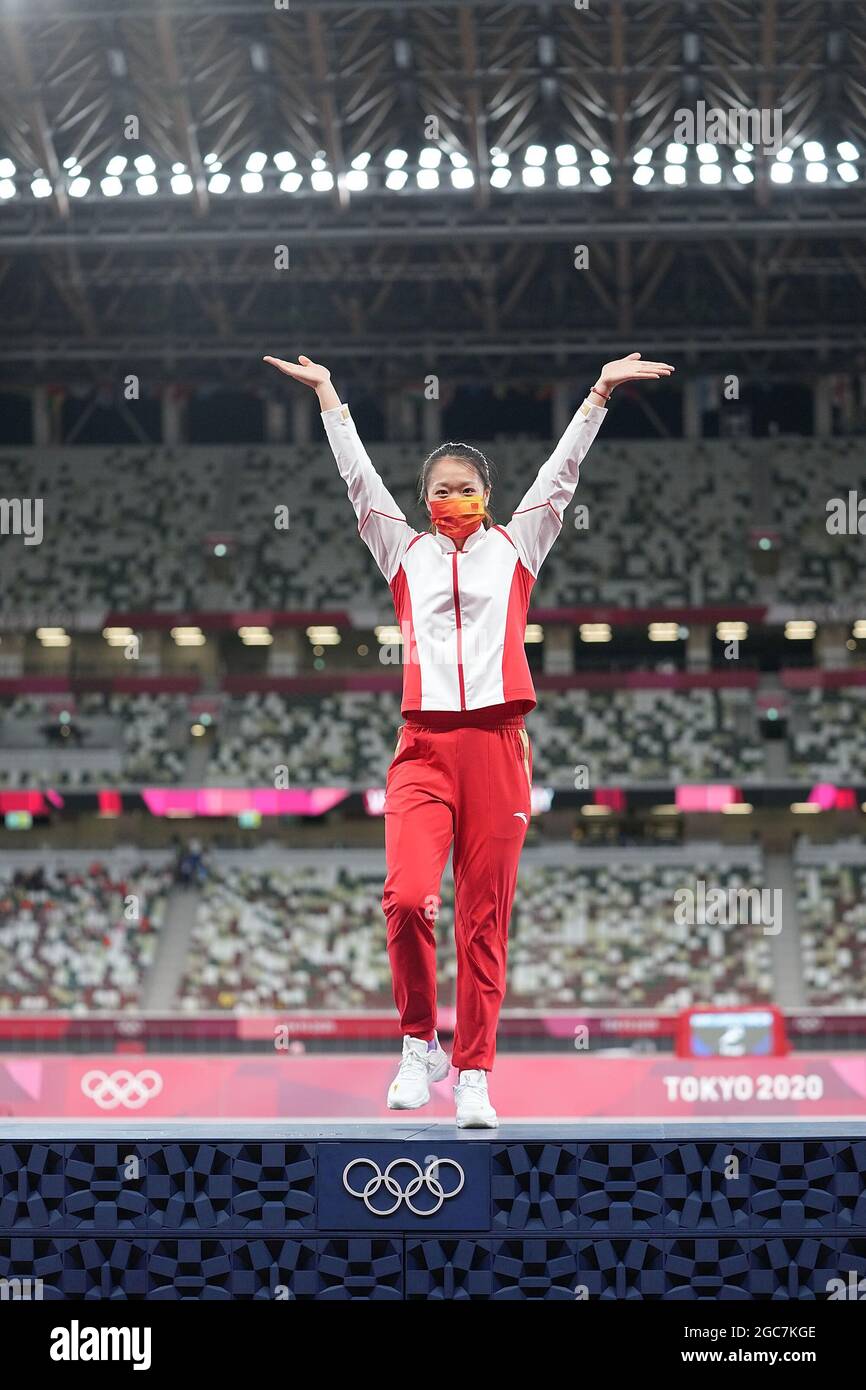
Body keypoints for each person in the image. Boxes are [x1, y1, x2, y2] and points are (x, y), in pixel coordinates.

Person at [264, 350, 674, 1126]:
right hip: (421, 750)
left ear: (487, 495)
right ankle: (421, 1045)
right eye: (440, 491)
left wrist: (597, 394)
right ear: (422, 504)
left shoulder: (518, 549)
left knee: (483, 922)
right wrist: (328, 397)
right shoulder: (404, 553)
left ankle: (476, 1071)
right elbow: (359, 482)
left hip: (497, 747)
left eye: (466, 488)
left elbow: (560, 476)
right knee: (408, 899)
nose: (454, 498)